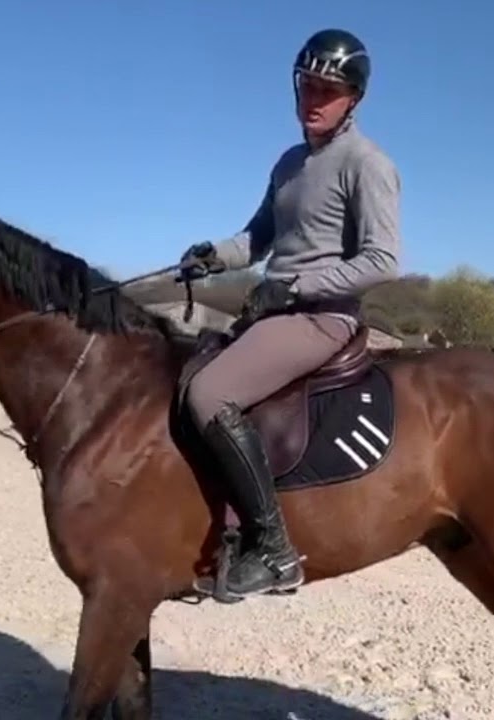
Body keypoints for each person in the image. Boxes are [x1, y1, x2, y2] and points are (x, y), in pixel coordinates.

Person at [179, 28, 403, 599]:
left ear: (353, 97)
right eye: (306, 86)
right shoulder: (288, 163)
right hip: (274, 309)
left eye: (327, 90)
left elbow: (382, 259)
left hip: (322, 318)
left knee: (210, 395)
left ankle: (275, 551)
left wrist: (298, 288)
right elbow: (257, 238)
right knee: (181, 372)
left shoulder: (367, 164)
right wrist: (213, 256)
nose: (313, 100)